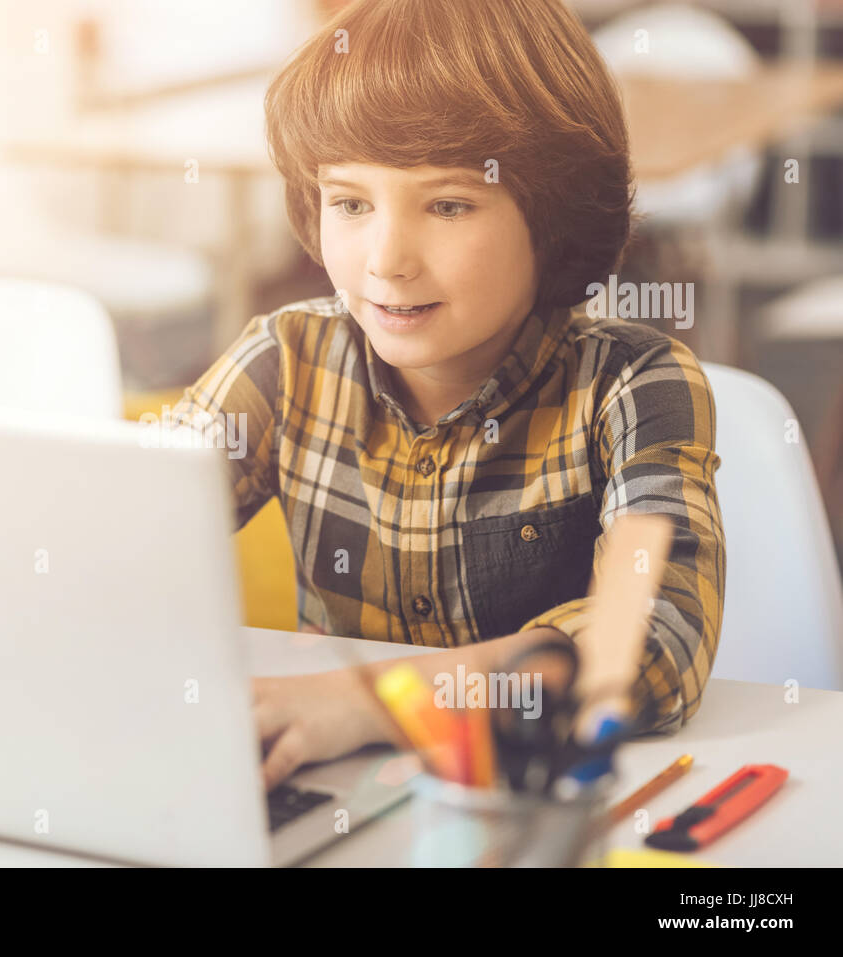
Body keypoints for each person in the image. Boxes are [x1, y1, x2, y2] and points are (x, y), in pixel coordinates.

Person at [165, 0, 726, 791]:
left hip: (545, 812)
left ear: (554, 217)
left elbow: (652, 642)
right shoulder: (284, 361)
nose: (386, 260)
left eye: (449, 205)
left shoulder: (635, 384)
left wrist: (377, 701)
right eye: (350, 203)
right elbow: (122, 537)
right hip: (338, 789)